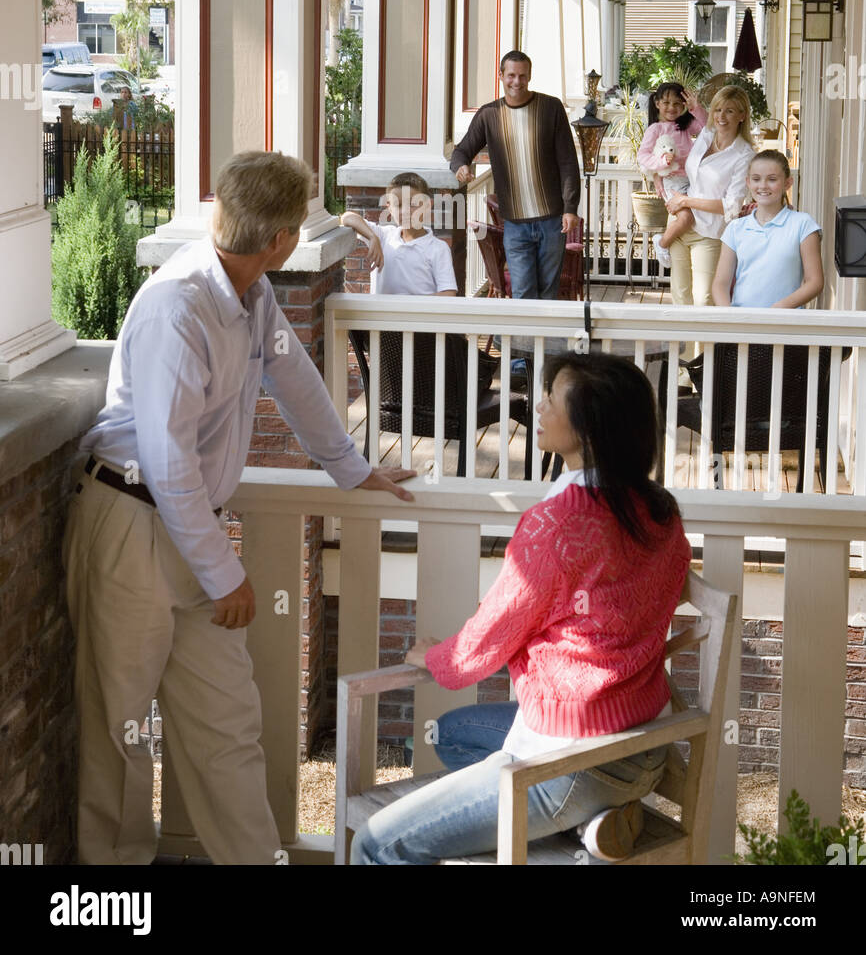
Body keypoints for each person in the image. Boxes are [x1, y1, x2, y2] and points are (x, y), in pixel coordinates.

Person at [65, 150, 414, 866]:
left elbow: (297, 382)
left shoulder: (252, 298)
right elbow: (166, 462)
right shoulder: (179, 306)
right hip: (130, 527)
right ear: (283, 239)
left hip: (185, 530)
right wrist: (225, 574)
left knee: (227, 720)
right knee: (120, 729)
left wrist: (351, 468)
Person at [351, 351, 692, 865]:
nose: (537, 405)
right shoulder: (661, 513)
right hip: (645, 747)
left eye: (551, 398)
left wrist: (432, 657)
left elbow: (479, 650)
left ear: (588, 429)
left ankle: (579, 810)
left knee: (375, 844)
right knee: (451, 734)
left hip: (571, 761)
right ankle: (597, 822)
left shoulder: (554, 526)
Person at [450, 50, 580, 300]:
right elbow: (462, 150)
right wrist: (461, 166)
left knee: (548, 293)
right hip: (514, 224)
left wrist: (570, 208)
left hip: (552, 220)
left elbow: (568, 162)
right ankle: (524, 341)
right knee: (522, 294)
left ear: (529, 76)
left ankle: (544, 340)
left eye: (522, 76)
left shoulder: (550, 108)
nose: (517, 82)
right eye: (511, 75)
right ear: (501, 76)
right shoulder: (489, 115)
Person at [666, 85, 755, 308]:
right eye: (718, 110)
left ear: (742, 116)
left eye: (730, 111)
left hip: (709, 233)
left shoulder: (744, 154)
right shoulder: (707, 135)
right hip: (680, 222)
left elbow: (732, 207)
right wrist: (698, 108)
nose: (721, 116)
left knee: (703, 299)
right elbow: (708, 120)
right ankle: (684, 344)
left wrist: (686, 200)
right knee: (680, 295)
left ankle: (703, 345)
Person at [711, 149, 824, 309]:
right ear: (748, 182)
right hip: (743, 323)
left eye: (772, 179)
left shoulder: (803, 224)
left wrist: (779, 309)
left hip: (785, 323)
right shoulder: (735, 229)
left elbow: (815, 282)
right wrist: (730, 316)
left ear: (787, 183)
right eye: (756, 179)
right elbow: (721, 283)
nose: (763, 185)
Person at [340, 172, 458, 296]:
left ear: (427, 205)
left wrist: (407, 306)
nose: (405, 211)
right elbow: (347, 217)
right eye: (398, 205)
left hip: (418, 314)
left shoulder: (438, 248)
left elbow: (448, 293)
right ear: (389, 208)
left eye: (412, 204)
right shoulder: (383, 236)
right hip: (380, 315)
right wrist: (372, 237)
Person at [635, 81, 707, 266]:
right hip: (672, 180)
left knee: (699, 215)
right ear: (657, 103)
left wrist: (696, 108)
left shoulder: (684, 125)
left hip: (692, 178)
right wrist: (661, 163)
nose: (671, 107)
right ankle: (662, 242)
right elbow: (642, 155)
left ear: (683, 105)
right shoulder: (655, 129)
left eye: (677, 103)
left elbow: (709, 129)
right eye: (666, 103)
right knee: (686, 218)